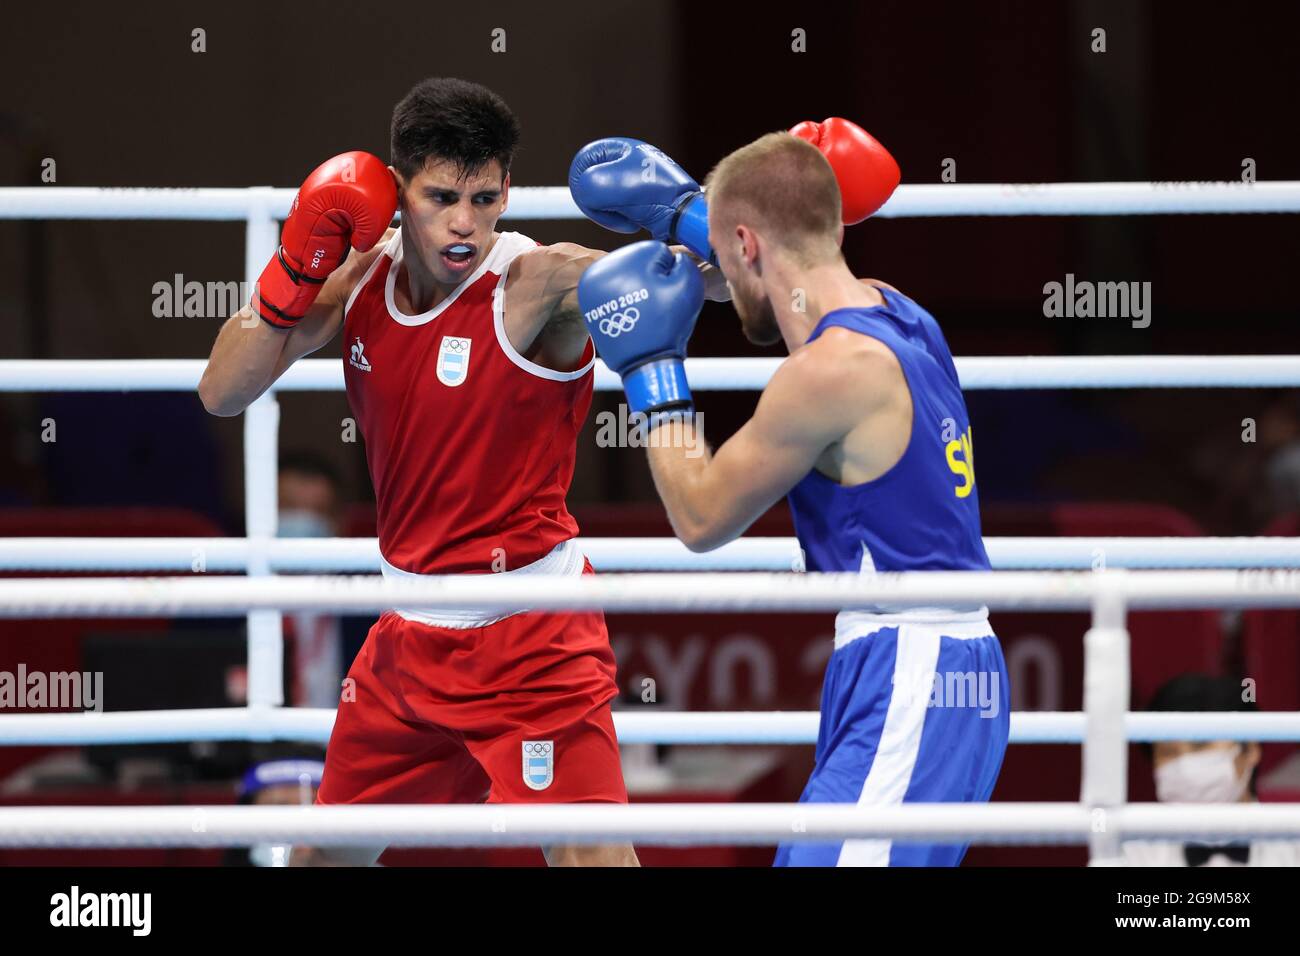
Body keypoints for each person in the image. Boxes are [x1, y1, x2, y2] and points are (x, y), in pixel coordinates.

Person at [198, 77, 723, 867]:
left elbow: (688, 281)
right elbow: (222, 391)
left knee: (593, 860)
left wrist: (692, 225)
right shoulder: (359, 278)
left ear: (507, 190)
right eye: (442, 196)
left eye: (485, 199)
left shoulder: (537, 283)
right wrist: (293, 264)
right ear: (396, 188)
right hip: (407, 642)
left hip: (533, 638)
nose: (464, 224)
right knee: (323, 860)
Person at [572, 125, 1009, 866]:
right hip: (933, 667)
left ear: (745, 245)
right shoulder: (900, 314)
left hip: (910, 671)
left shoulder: (828, 376)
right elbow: (784, 281)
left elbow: (702, 515)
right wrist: (697, 224)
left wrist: (652, 367)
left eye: (729, 254)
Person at [1123, 673, 1300, 866]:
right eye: (1168, 752)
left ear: (1250, 749)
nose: (1184, 764)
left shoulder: (1294, 839)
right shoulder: (1132, 850)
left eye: (1200, 744)